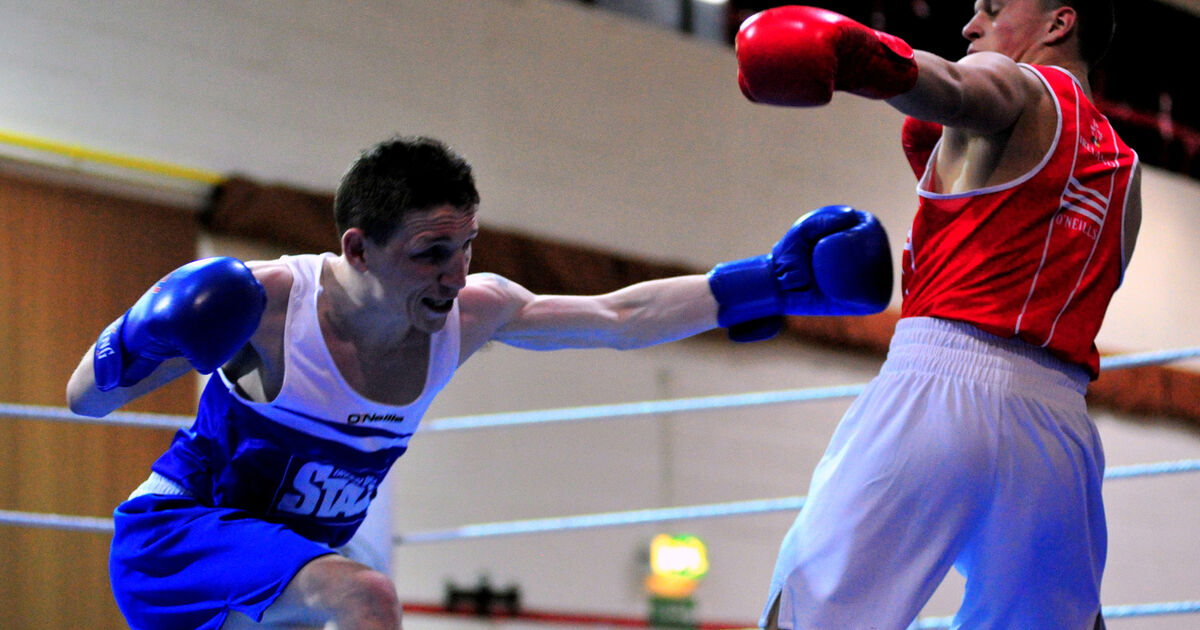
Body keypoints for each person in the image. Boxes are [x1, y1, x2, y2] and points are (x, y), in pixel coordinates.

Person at [65, 135, 893, 630]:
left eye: (465, 246)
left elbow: (618, 317)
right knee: (367, 598)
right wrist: (143, 335)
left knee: (352, 591)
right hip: (179, 540)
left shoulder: (471, 314)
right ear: (356, 250)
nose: (455, 274)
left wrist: (769, 284)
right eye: (430, 252)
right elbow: (83, 399)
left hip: (285, 576)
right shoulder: (267, 306)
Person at [735, 1, 1141, 628]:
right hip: (1059, 437)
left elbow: (953, 86)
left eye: (994, 8)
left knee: (811, 612)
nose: (969, 26)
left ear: (1058, 25)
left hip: (941, 394)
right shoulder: (1125, 170)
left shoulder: (1020, 84)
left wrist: (858, 53)